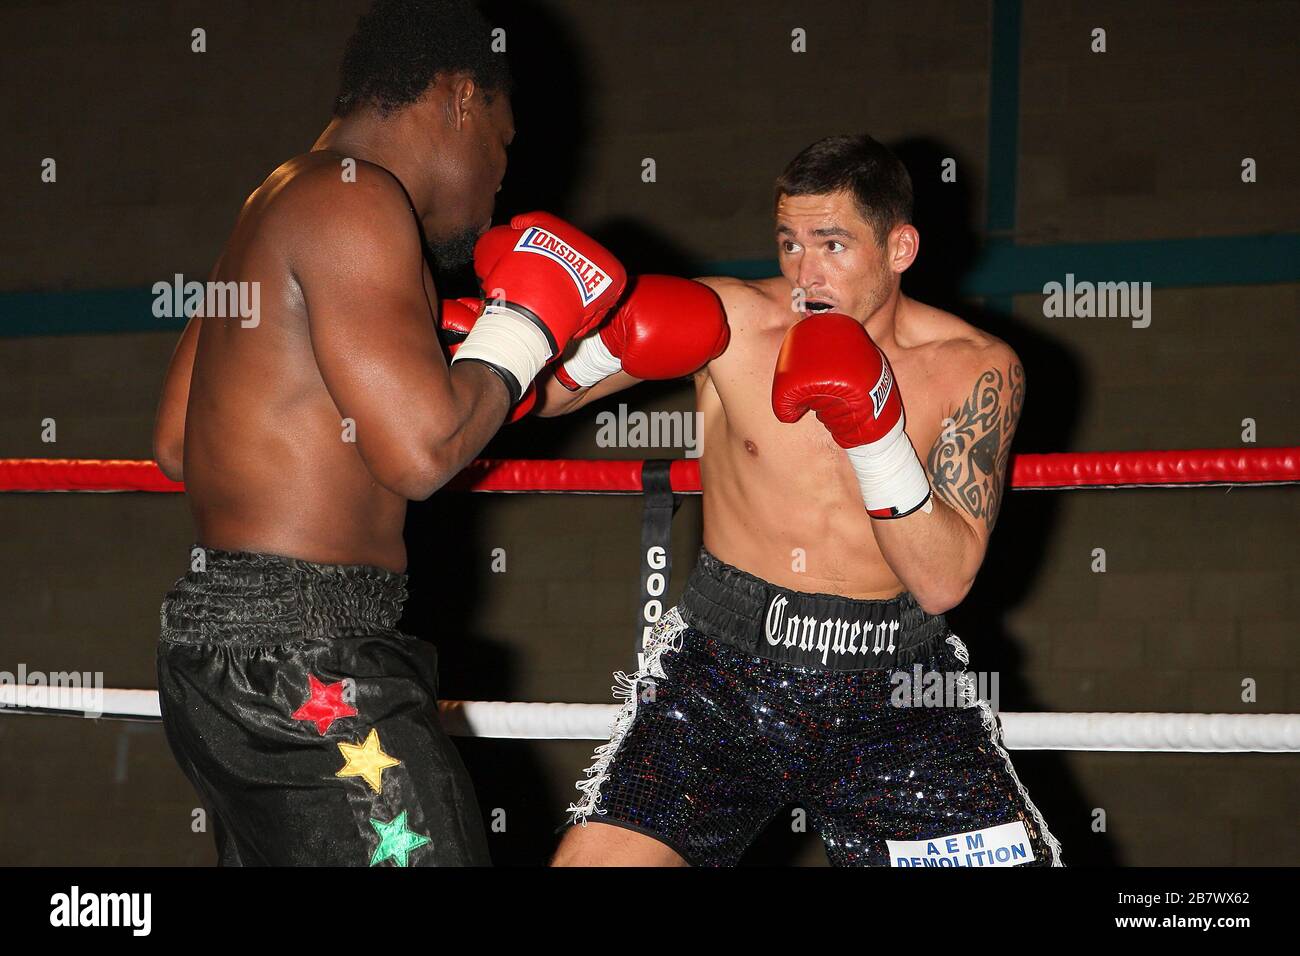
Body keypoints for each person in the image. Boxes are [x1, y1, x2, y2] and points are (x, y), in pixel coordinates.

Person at [151, 0, 631, 866]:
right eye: (504, 142)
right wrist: (526, 322)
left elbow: (178, 439)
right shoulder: (359, 200)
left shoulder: (277, 194)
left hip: (221, 664)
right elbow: (423, 453)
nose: (497, 183)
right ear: (459, 98)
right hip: (313, 669)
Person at [542, 134, 1063, 867]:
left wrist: (874, 431)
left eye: (832, 244)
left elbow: (944, 579)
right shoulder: (727, 320)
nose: (804, 272)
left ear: (900, 247)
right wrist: (553, 327)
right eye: (789, 242)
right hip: (721, 678)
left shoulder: (976, 369)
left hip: (896, 693)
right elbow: (541, 396)